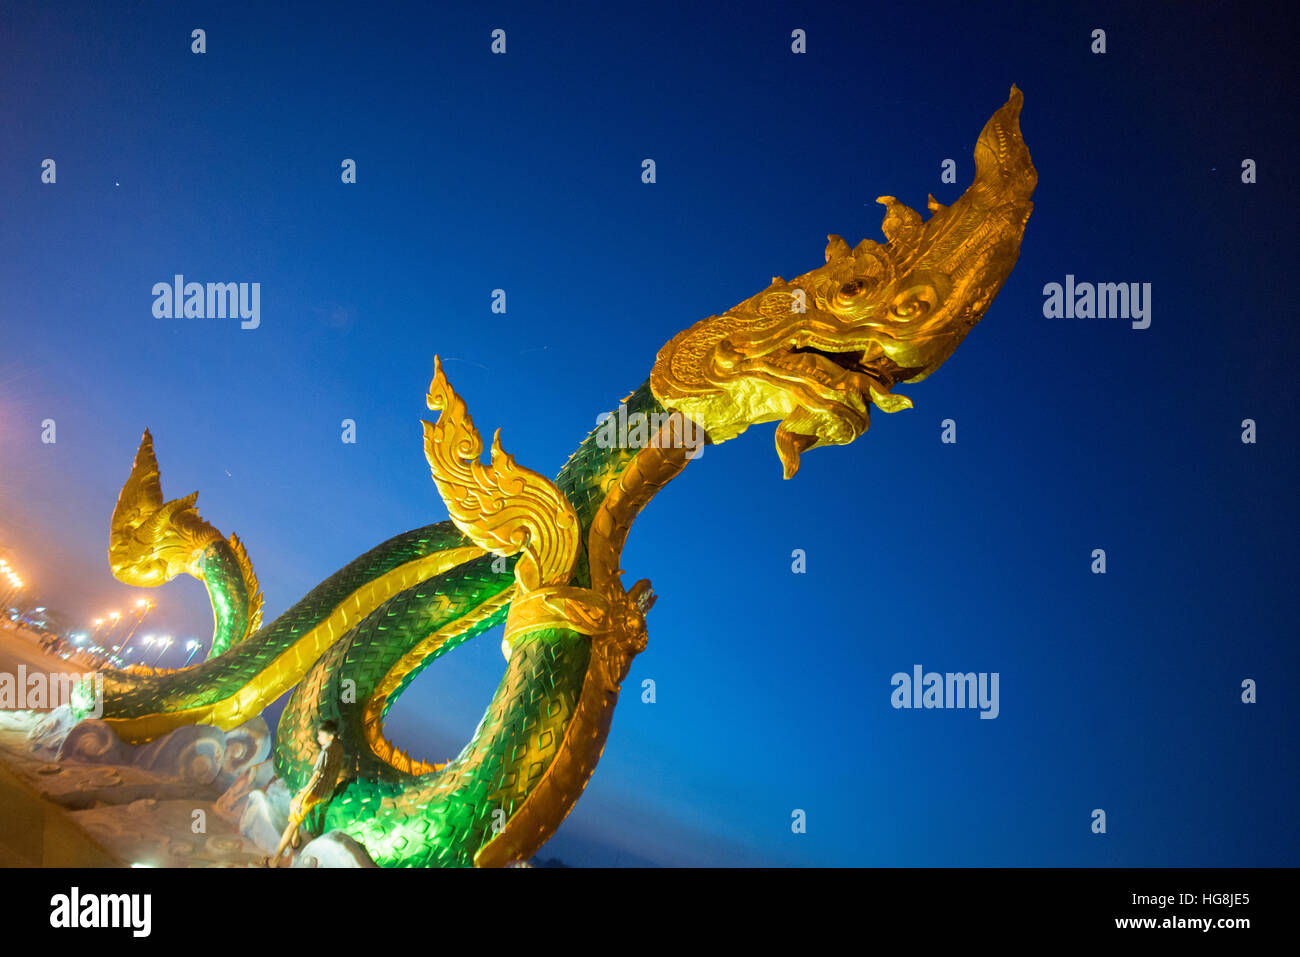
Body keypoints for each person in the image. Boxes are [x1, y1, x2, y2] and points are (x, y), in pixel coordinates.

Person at [265, 720, 344, 868]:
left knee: (293, 816)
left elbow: (315, 777)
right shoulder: (339, 748)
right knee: (294, 806)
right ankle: (295, 842)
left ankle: (275, 860)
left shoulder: (325, 753)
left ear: (331, 736)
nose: (319, 738)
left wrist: (303, 794)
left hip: (316, 793)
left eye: (321, 736)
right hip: (328, 791)